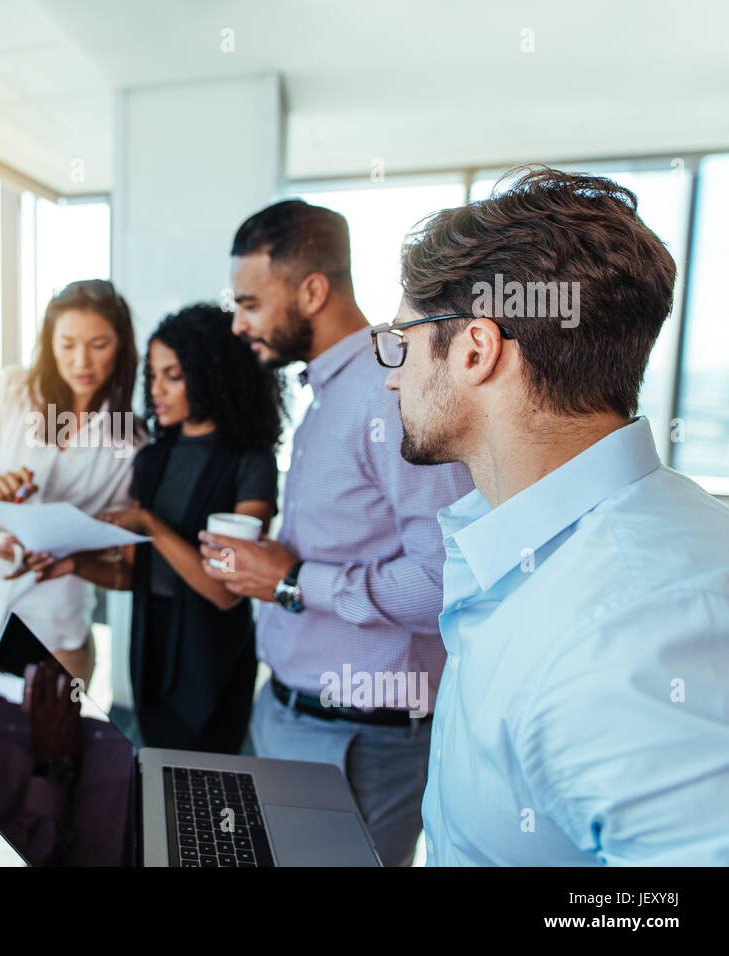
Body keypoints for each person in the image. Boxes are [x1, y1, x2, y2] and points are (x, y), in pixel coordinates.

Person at [380, 165, 729, 864]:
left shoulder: (627, 632)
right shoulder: (548, 549)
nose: (392, 374)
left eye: (404, 342)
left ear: (476, 350)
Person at [196, 200, 474, 867]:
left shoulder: (391, 391)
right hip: (294, 714)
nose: (238, 324)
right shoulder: (328, 391)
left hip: (360, 740)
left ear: (312, 291)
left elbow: (445, 581)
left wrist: (291, 582)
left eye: (250, 304)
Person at [0, 278, 146, 867]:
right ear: (48, 344)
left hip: (56, 632)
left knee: (54, 775)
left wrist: (73, 545)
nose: (81, 361)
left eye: (99, 344)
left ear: (121, 346)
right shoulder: (14, 391)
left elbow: (120, 547)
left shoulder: (130, 437)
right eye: (67, 344)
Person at [32, 304, 283, 753]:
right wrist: (75, 563)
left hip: (211, 659)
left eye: (173, 375)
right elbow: (130, 574)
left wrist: (150, 524)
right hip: (150, 648)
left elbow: (226, 590)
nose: (156, 390)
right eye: (153, 376)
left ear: (210, 375)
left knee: (206, 785)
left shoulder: (251, 462)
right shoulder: (153, 457)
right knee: (154, 775)